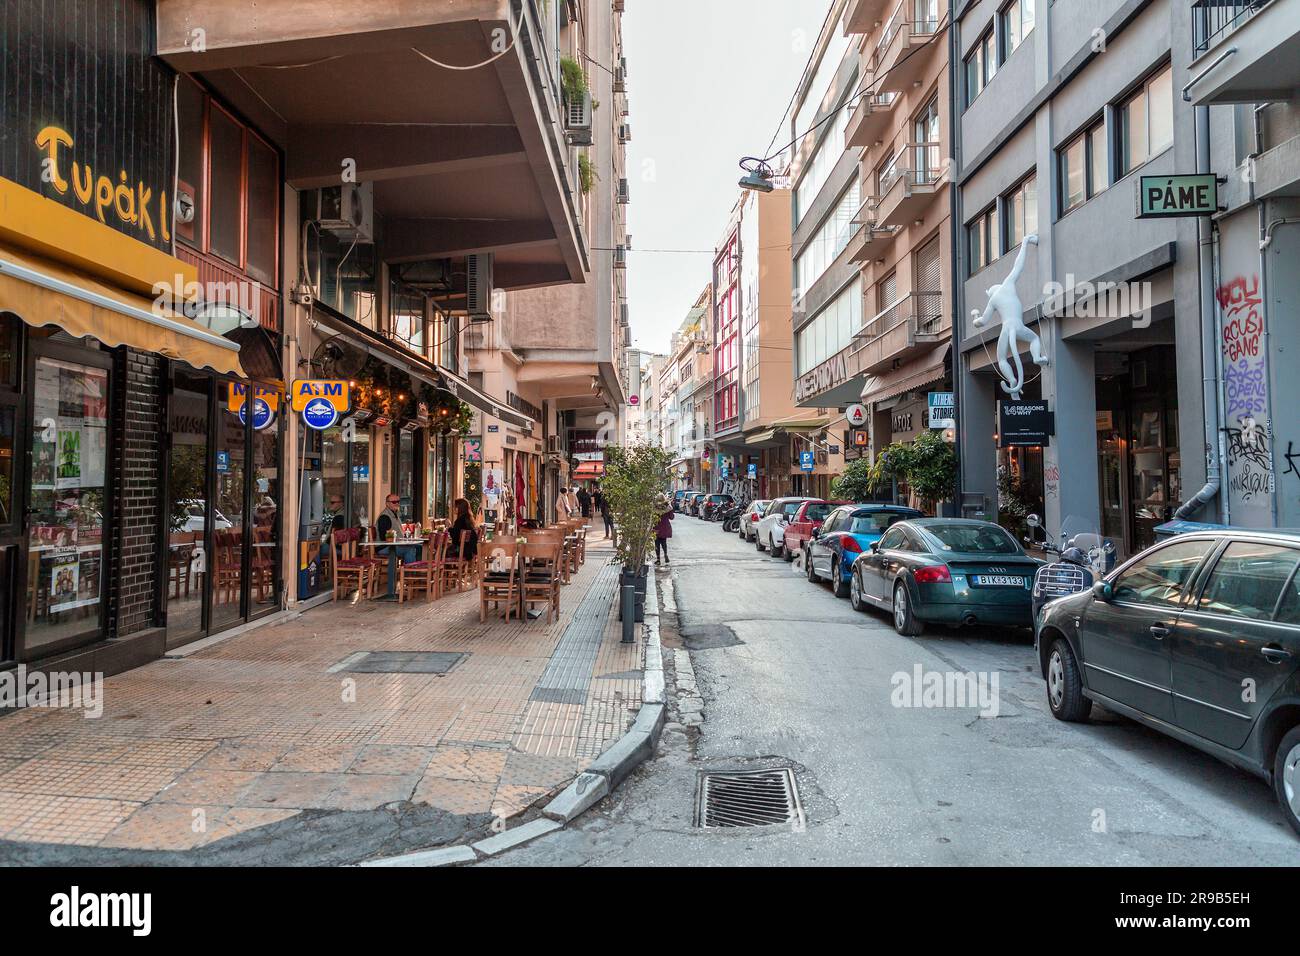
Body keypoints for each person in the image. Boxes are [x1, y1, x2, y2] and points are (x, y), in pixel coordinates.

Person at [376, 494, 420, 567]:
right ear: (387, 504)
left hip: (396, 545)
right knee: (409, 550)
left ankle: (418, 569)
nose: (397, 503)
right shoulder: (385, 517)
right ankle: (409, 574)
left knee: (419, 547)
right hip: (384, 547)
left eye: (398, 502)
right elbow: (384, 537)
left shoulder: (395, 514)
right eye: (394, 502)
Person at [450, 497, 479, 562]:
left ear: (459, 508)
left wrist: (449, 528)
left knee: (440, 552)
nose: (453, 508)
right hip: (469, 550)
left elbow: (455, 539)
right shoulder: (468, 519)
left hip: (462, 551)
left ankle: (442, 571)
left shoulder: (460, 520)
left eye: (455, 507)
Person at [654, 495, 674, 566]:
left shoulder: (654, 507)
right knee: (664, 542)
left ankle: (658, 559)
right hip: (665, 527)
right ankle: (665, 554)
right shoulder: (667, 507)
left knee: (657, 543)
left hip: (656, 527)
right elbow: (671, 517)